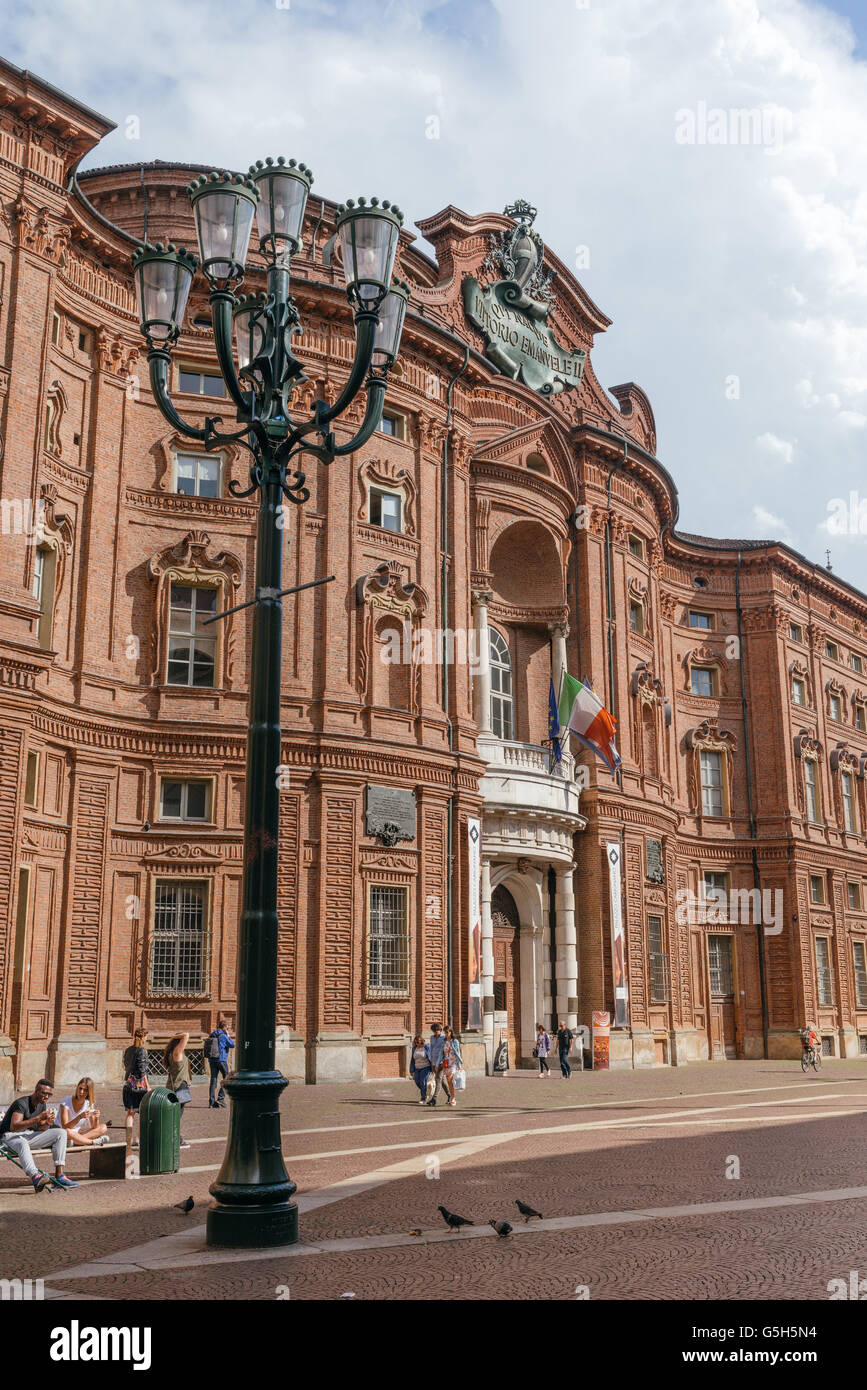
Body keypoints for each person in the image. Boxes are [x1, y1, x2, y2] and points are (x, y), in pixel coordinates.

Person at [0, 1079, 77, 1191]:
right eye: (44, 1093)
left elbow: (40, 1128)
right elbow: (14, 1127)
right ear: (36, 1091)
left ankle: (59, 1175)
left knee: (61, 1133)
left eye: (49, 1094)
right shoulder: (21, 1103)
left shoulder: (42, 1105)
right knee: (22, 1143)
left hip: (28, 1135)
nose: (46, 1097)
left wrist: (47, 1123)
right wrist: (37, 1118)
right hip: (9, 1136)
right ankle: (35, 1176)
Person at [58, 1077, 110, 1147]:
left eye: (85, 1090)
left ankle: (76, 1142)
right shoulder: (65, 1102)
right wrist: (80, 1117)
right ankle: (93, 1142)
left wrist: (96, 1118)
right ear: (77, 1088)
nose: (81, 1092)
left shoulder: (89, 1104)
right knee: (67, 1131)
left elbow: (94, 1127)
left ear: (89, 1092)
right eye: (80, 1088)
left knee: (103, 1127)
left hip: (76, 1133)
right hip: (63, 1132)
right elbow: (65, 1127)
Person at [122, 1027, 150, 1147]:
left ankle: (128, 1140)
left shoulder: (128, 1050)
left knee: (130, 1113)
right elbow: (142, 1071)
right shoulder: (142, 1050)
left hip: (129, 1085)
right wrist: (148, 1086)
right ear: (143, 1037)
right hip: (140, 1087)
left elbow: (126, 1065)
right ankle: (137, 1139)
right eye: (146, 1036)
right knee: (143, 1113)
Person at [164, 1032, 192, 1149]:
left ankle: (175, 1139)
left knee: (174, 1116)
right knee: (176, 1116)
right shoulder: (177, 1053)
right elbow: (186, 1034)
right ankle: (176, 1140)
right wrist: (174, 1037)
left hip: (173, 1087)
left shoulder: (172, 1053)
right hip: (179, 1087)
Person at [206, 1018, 234, 1109]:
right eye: (227, 1028)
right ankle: (221, 1099)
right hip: (221, 1060)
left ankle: (211, 1102)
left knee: (213, 1080)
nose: (228, 1029)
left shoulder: (212, 1034)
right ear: (225, 1027)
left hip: (212, 1060)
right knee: (227, 1079)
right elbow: (232, 1045)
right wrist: (228, 1035)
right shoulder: (223, 1036)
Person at [441, 1026, 462, 1108]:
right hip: (446, 1063)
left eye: (447, 1032)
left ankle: (453, 1099)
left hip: (453, 1063)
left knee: (450, 1079)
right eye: (445, 1032)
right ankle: (452, 1097)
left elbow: (458, 1053)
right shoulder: (444, 1042)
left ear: (451, 1032)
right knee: (449, 1082)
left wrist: (459, 1065)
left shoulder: (455, 1041)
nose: (446, 1034)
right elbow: (441, 1053)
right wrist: (439, 1062)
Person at [427, 1022, 448, 1106]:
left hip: (441, 1062)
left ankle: (434, 1099)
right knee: (442, 1081)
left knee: (438, 1080)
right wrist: (431, 1059)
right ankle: (450, 1095)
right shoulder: (432, 1037)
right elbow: (431, 1048)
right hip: (433, 1061)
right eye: (434, 1031)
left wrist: (441, 1063)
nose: (436, 1032)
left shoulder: (444, 1037)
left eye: (437, 1031)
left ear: (440, 1030)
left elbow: (445, 1051)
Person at [409, 1034, 432, 1105]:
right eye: (415, 1042)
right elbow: (412, 1059)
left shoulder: (426, 1047)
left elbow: (431, 1058)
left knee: (422, 1082)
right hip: (417, 1068)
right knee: (417, 1081)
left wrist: (433, 1069)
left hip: (425, 1067)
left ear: (421, 1041)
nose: (417, 1044)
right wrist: (411, 1070)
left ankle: (423, 1098)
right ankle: (425, 1091)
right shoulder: (414, 1048)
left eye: (418, 1042)